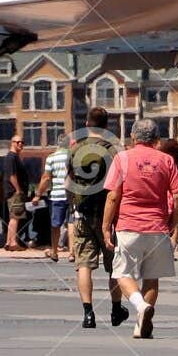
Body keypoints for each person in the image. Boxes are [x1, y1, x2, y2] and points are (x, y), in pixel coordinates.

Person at [103, 119, 178, 338]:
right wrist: (173, 223)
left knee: (121, 273)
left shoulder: (122, 158)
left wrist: (105, 226)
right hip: (157, 226)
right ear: (156, 139)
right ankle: (141, 327)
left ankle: (140, 307)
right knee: (152, 277)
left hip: (129, 225)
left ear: (133, 137)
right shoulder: (166, 160)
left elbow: (113, 196)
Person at [68, 107, 125, 328]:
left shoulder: (76, 148)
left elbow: (69, 180)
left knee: (84, 264)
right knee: (114, 266)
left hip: (82, 213)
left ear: (87, 124)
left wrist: (74, 204)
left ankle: (88, 313)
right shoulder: (114, 150)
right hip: (107, 216)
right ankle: (115, 309)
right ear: (106, 125)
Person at [38, 136, 71, 262]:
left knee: (55, 224)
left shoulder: (51, 157)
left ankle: (55, 251)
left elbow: (46, 178)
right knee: (72, 223)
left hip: (57, 195)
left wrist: (38, 194)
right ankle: (72, 252)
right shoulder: (73, 155)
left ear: (58, 144)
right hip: (71, 195)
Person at [3, 137, 31, 251]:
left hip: (12, 191)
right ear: (12, 143)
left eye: (22, 142)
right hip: (14, 192)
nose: (20, 144)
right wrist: (18, 190)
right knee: (16, 217)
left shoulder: (14, 157)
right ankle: (13, 242)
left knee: (12, 217)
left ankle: (8, 241)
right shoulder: (11, 157)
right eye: (18, 142)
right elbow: (12, 175)